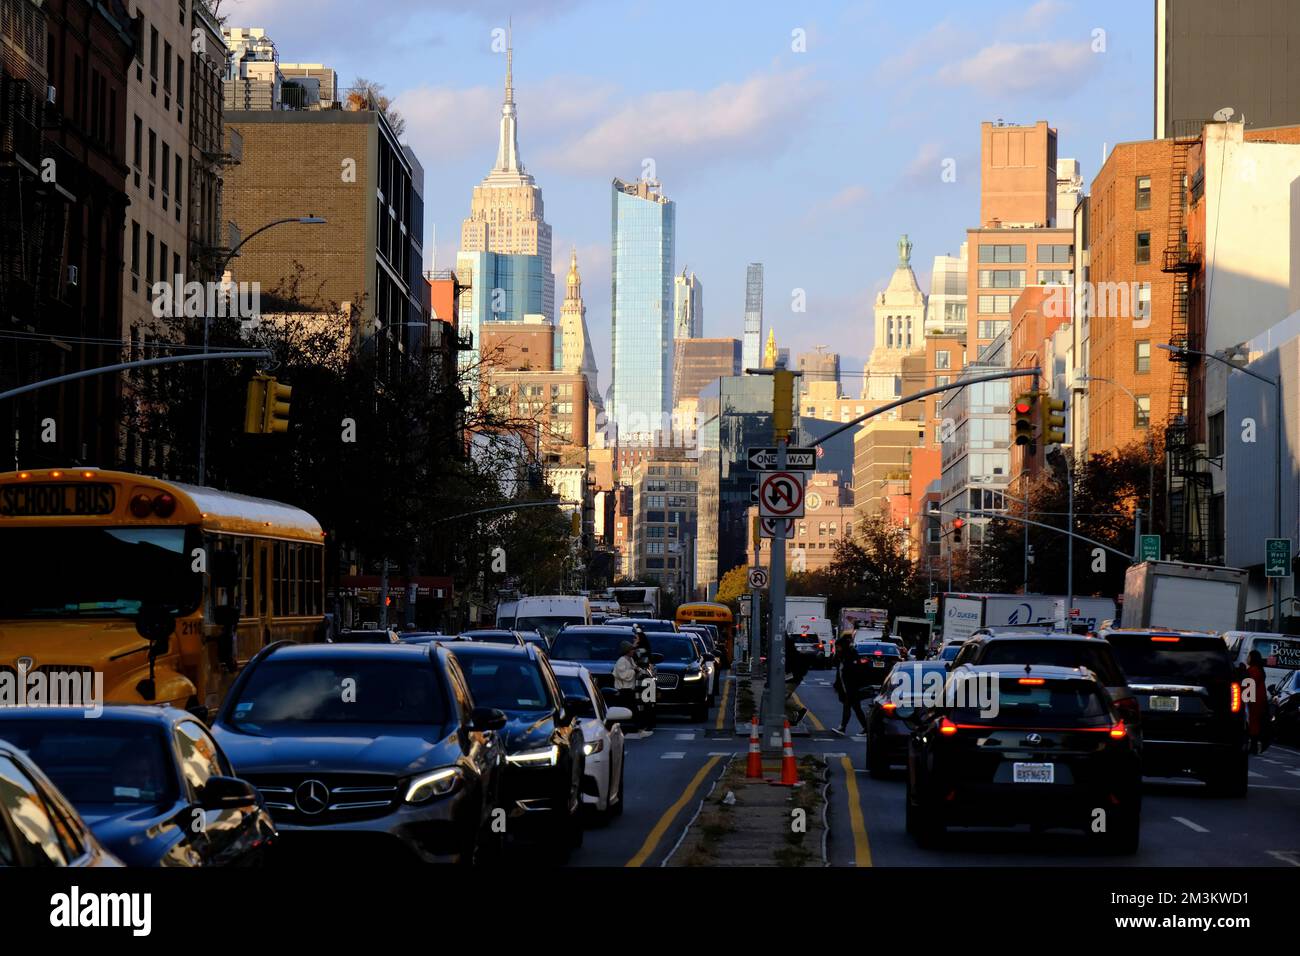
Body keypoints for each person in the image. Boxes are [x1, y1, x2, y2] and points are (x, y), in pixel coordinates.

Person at [833, 634, 870, 735]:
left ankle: (843, 728)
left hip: (852, 687)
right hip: (847, 686)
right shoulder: (842, 656)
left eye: (838, 647)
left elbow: (853, 672)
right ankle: (866, 728)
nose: (837, 649)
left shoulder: (851, 656)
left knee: (848, 706)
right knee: (856, 708)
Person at [630, 627, 656, 732]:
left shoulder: (641, 650)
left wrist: (633, 646)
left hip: (643, 678)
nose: (634, 640)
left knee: (643, 702)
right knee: (647, 702)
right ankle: (648, 722)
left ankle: (645, 723)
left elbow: (633, 655)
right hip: (646, 678)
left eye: (635, 638)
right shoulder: (645, 649)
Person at [1244, 649, 1271, 754]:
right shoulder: (1258, 669)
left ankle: (1253, 746)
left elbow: (1249, 684)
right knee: (1254, 722)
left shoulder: (1253, 670)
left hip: (1255, 700)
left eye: (1249, 656)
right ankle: (1253, 745)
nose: (1247, 658)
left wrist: (1245, 699)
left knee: (1253, 722)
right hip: (1258, 699)